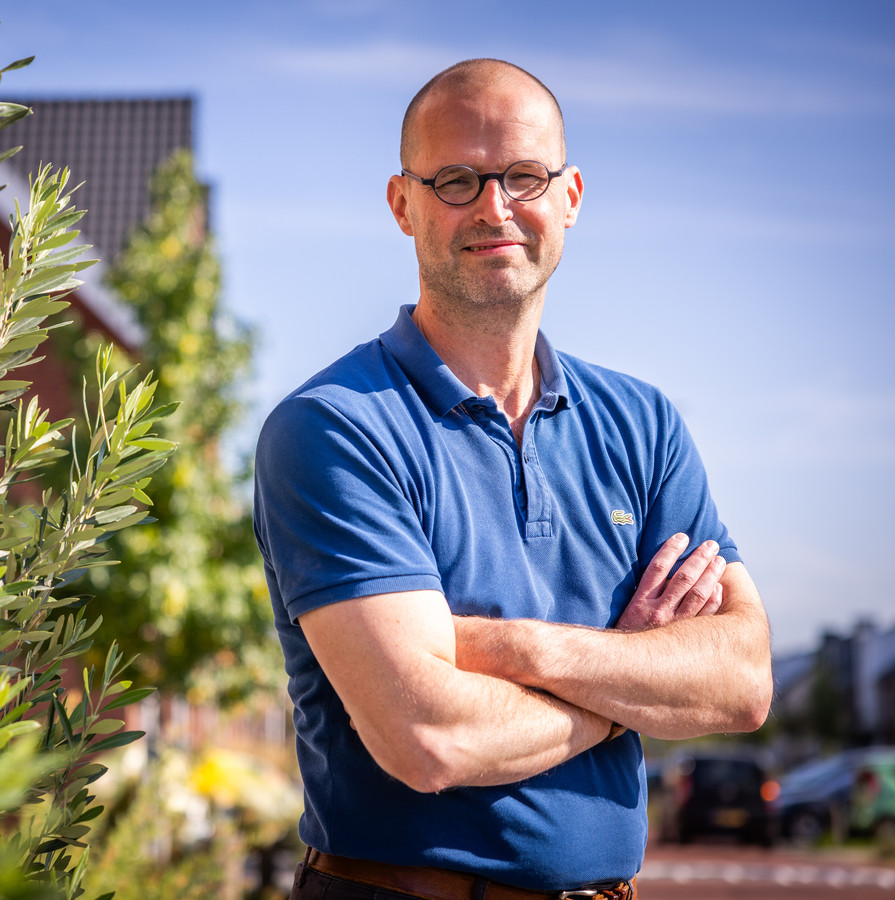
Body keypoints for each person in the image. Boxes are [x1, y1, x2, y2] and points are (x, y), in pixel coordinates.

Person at [252, 58, 772, 899]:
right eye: (455, 180)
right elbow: (429, 738)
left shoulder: (642, 424)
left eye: (523, 176)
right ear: (402, 204)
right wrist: (631, 678)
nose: (493, 208)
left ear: (569, 197)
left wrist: (512, 648)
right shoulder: (334, 428)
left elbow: (741, 681)